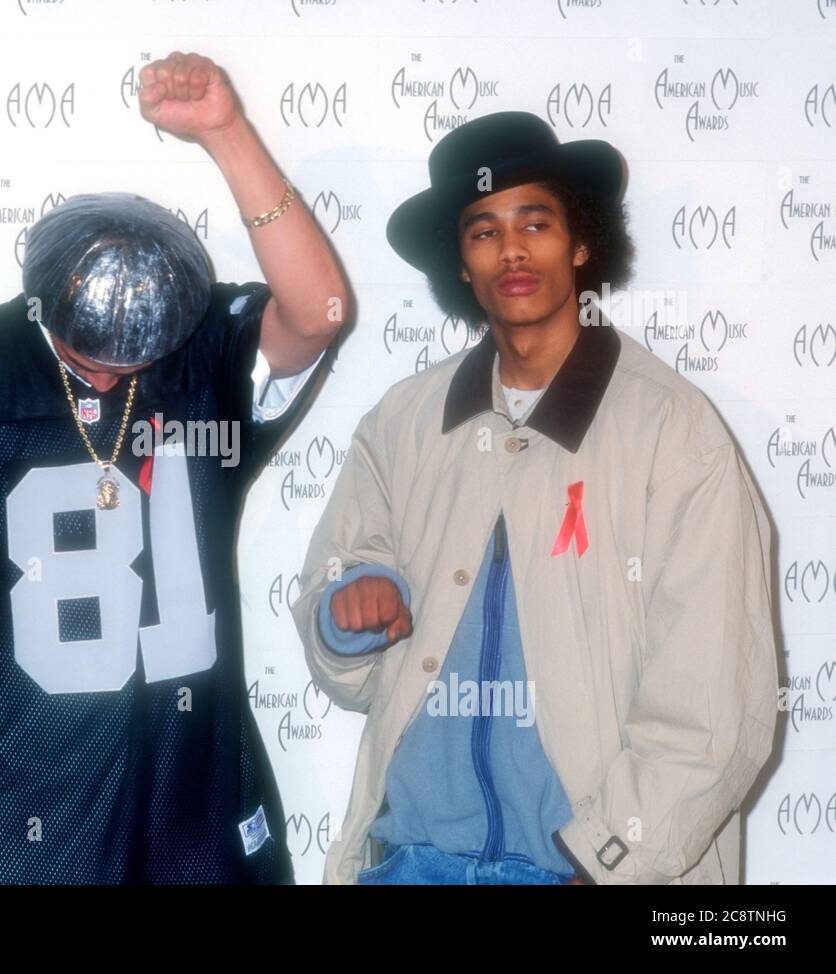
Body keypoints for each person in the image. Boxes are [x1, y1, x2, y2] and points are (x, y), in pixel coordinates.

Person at [0, 52, 348, 884]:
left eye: (134, 360)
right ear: (42, 306)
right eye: (88, 356)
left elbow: (321, 309)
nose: (113, 375)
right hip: (20, 790)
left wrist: (226, 134)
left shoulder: (200, 352)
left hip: (189, 788)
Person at [293, 111, 779, 885]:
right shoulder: (403, 421)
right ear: (461, 262)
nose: (511, 249)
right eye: (483, 230)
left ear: (581, 242)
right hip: (410, 863)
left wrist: (606, 860)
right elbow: (343, 663)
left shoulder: (673, 432)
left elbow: (715, 711)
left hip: (583, 871)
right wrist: (350, 608)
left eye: (536, 222)